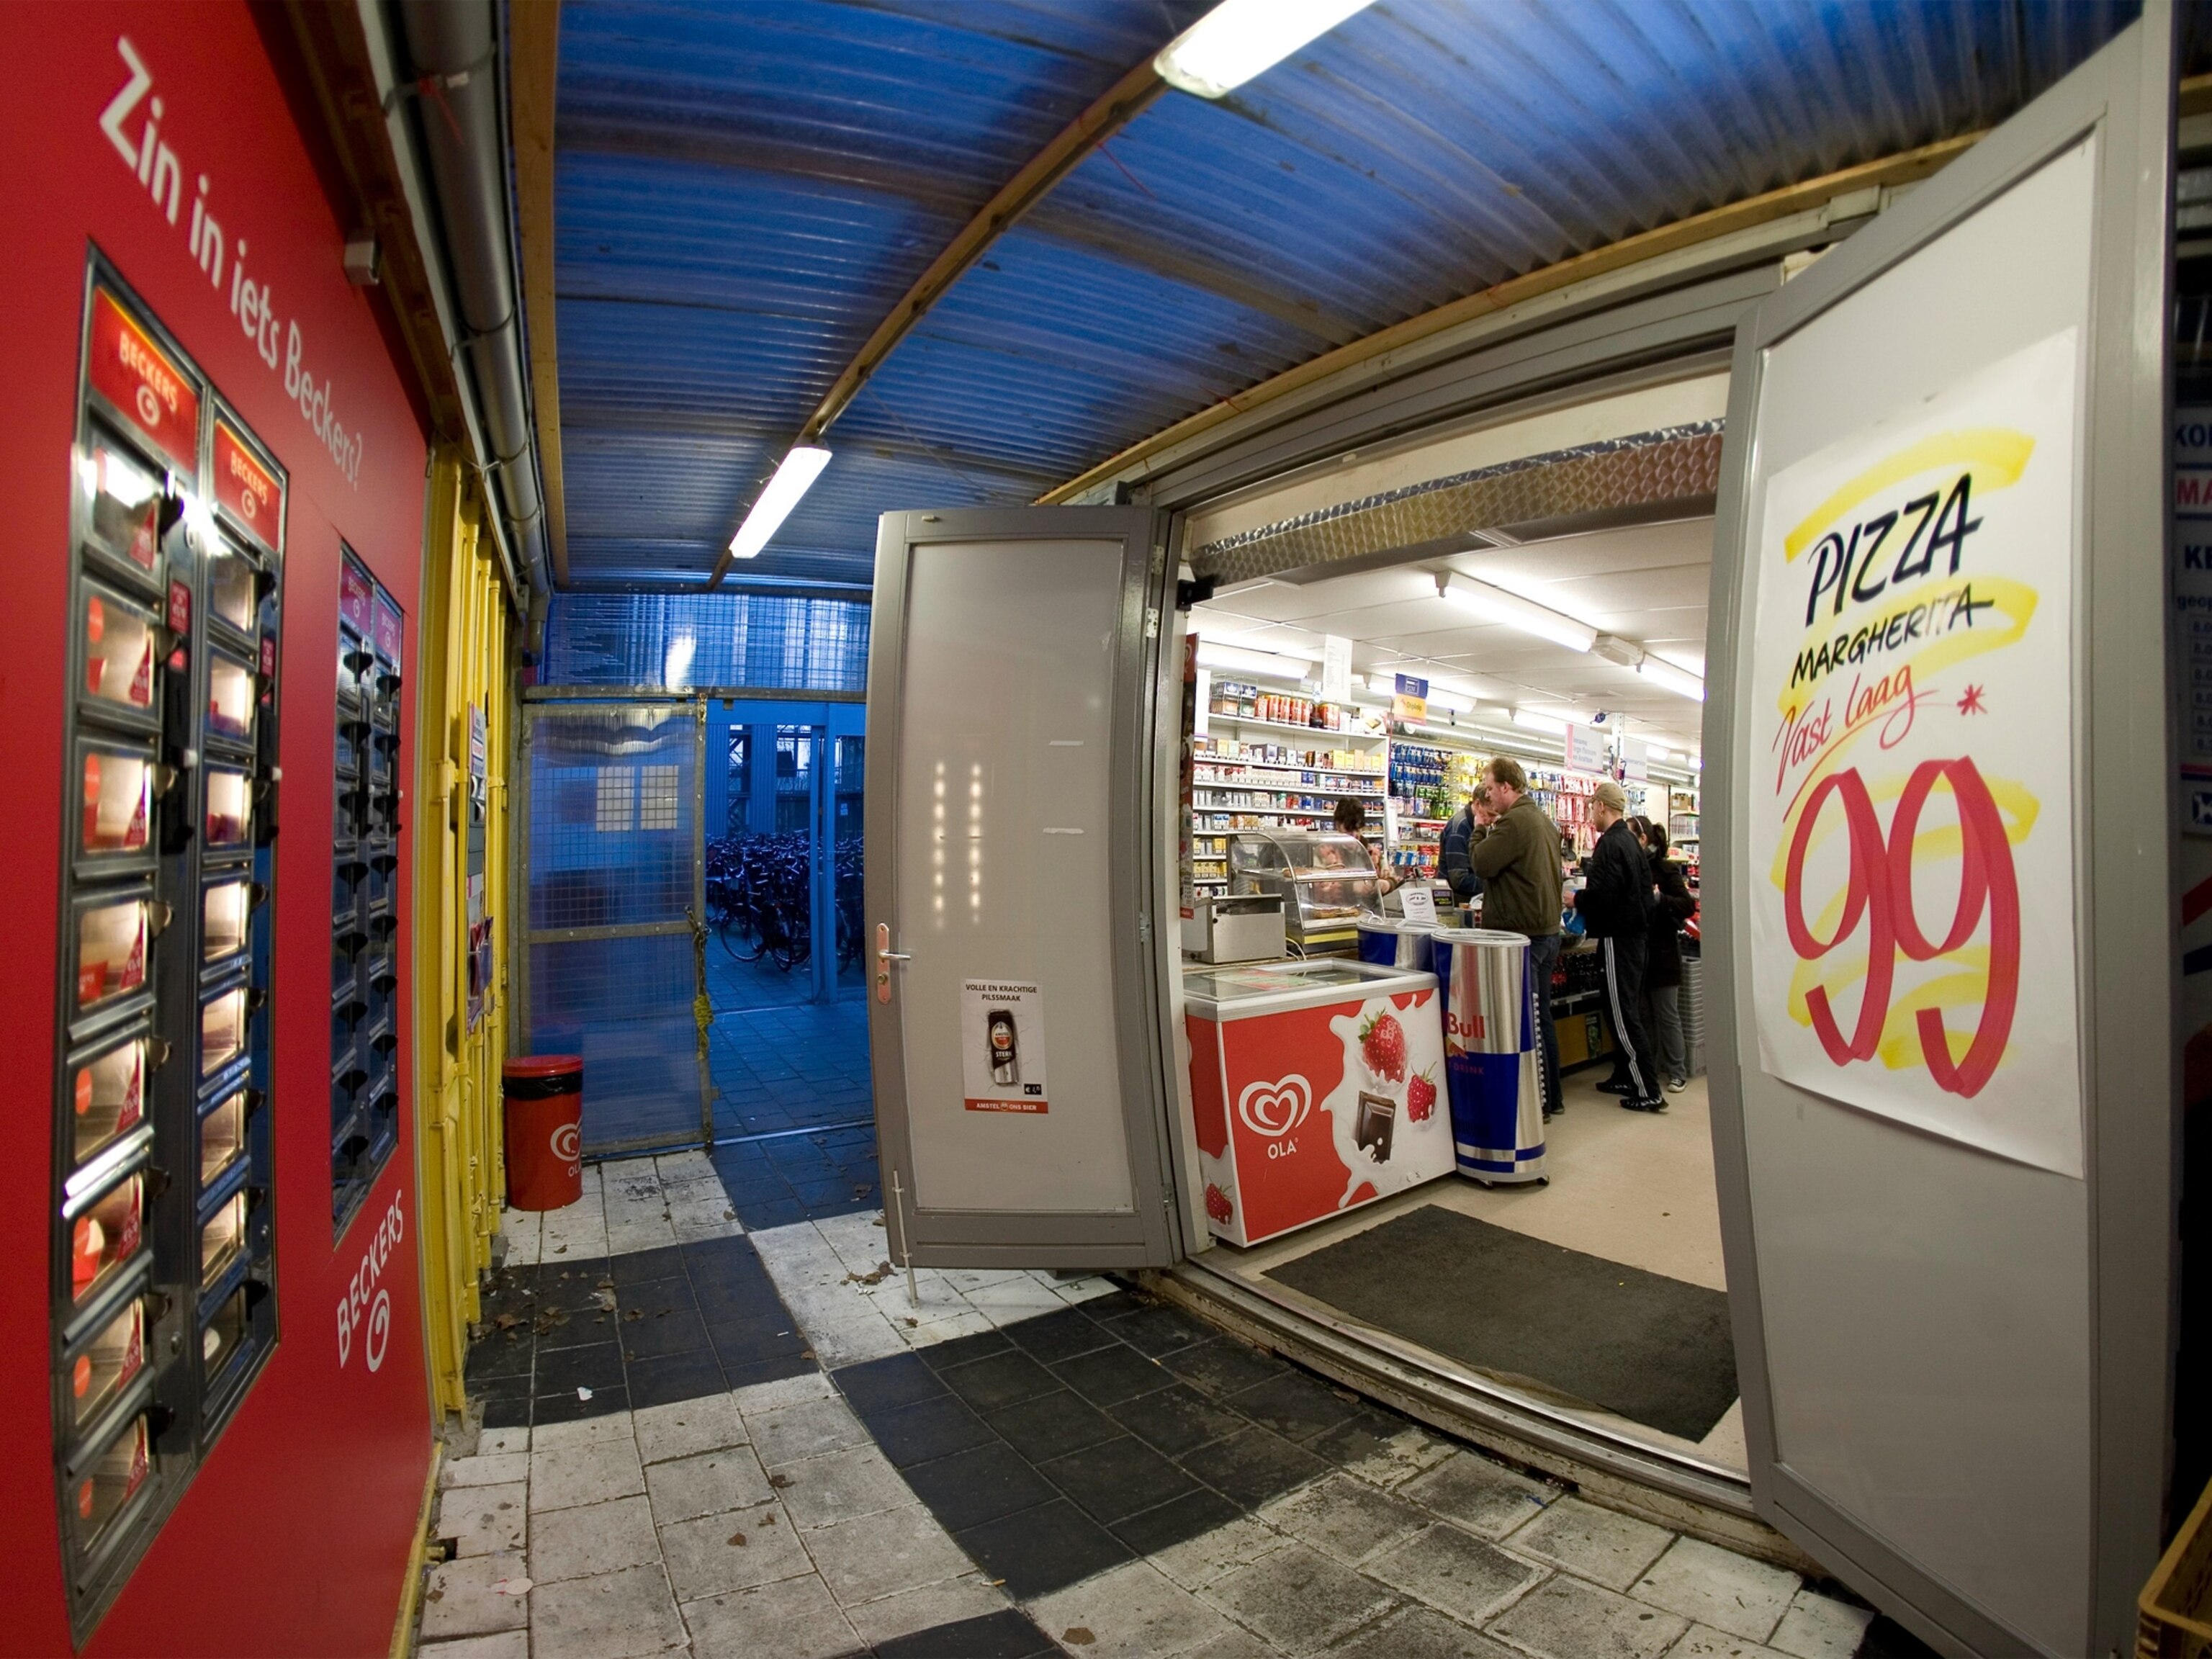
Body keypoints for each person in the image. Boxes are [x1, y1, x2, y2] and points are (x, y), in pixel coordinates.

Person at [1461, 757, 1565, 1120]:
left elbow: (1482, 863)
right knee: (1541, 1018)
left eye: (1490, 788)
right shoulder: (1543, 821)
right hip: (1547, 933)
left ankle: (1537, 1104)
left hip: (1525, 937)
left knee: (1525, 1021)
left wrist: (1477, 828)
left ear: (1506, 787)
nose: (1487, 795)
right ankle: (1552, 1097)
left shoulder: (1516, 822)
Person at [1576, 781, 1663, 1112]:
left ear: (1601, 806)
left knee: (1622, 1013)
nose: (1590, 814)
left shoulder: (1611, 845)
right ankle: (1626, 1075)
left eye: (1592, 807)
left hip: (1619, 938)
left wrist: (1578, 898)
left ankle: (1648, 1089)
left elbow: (1604, 896)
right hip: (1635, 937)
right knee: (1624, 1009)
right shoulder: (1630, 842)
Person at [1636, 817, 1695, 1093]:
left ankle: (1677, 1071)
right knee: (1645, 1016)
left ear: (1645, 840)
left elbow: (1686, 904)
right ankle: (1652, 1069)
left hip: (1663, 952)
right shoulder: (1635, 868)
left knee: (1668, 1015)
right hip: (1641, 952)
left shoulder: (1667, 870)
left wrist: (1660, 899)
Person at [1333, 796, 1403, 896]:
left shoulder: (1374, 853)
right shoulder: (1325, 852)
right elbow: (1320, 887)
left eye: (1357, 829)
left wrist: (1386, 884)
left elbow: (1393, 878)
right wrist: (1351, 887)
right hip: (1337, 910)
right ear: (1337, 825)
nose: (1354, 835)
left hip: (1369, 911)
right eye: (1348, 830)